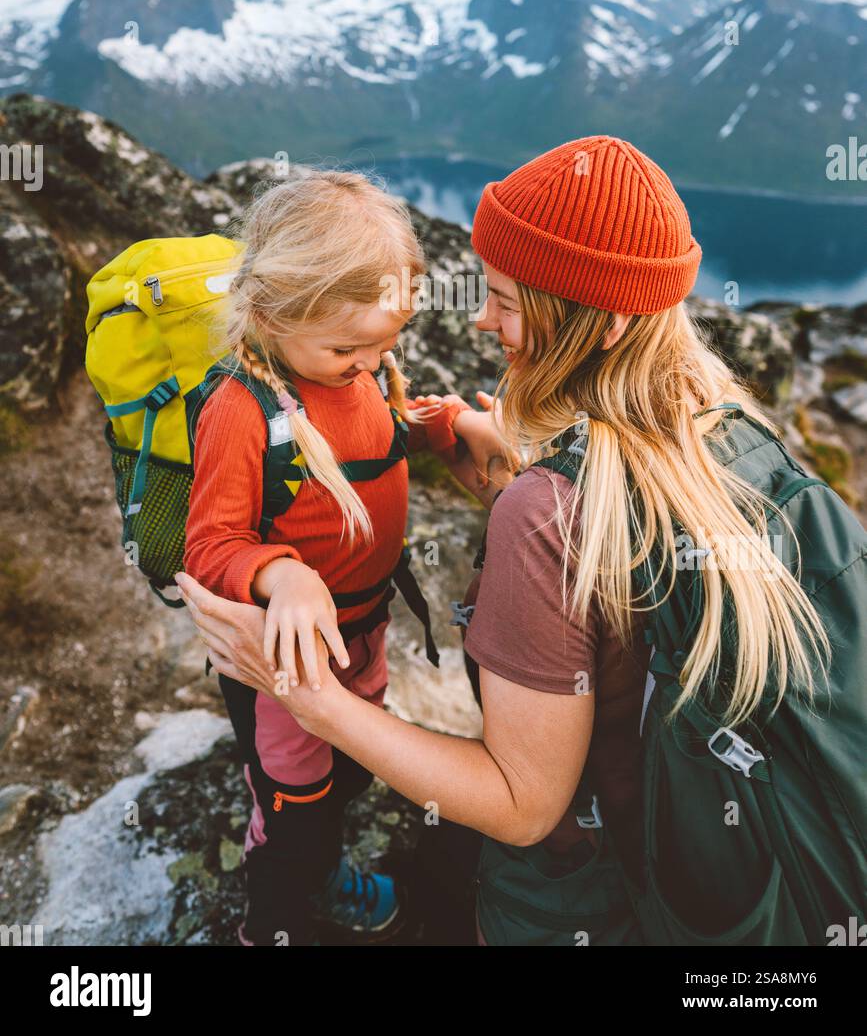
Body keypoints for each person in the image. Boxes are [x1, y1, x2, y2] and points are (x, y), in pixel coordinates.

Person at [178, 136, 847, 946]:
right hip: (736, 874)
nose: (479, 318)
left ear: (594, 323)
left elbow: (524, 809)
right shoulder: (733, 434)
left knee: (377, 813)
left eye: (503, 298)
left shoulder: (547, 511)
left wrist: (305, 697)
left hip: (589, 900)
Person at [183, 169, 505, 946]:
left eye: (385, 345)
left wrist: (456, 422)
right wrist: (281, 571)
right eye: (347, 347)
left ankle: (322, 867)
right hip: (284, 664)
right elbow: (210, 544)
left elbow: (390, 425)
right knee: (296, 810)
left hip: (363, 636)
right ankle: (275, 922)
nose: (368, 362)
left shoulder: (355, 370)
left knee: (353, 766)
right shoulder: (241, 408)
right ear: (268, 312)